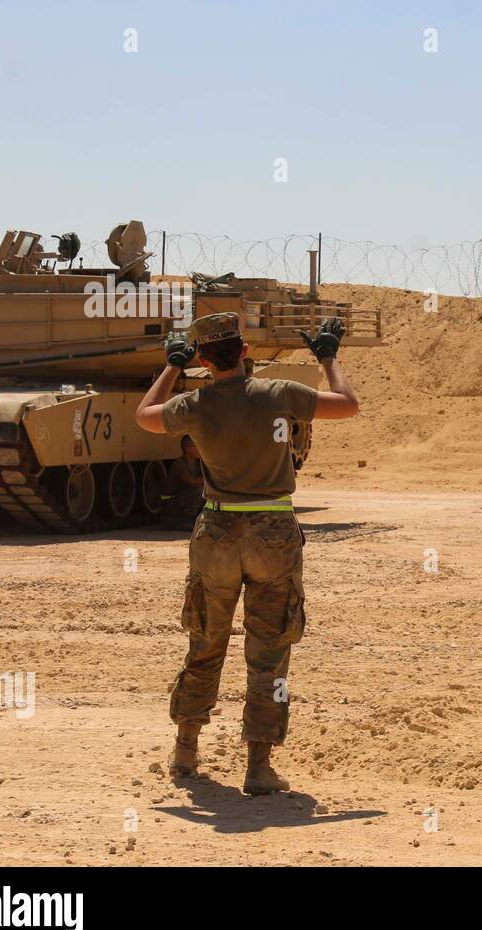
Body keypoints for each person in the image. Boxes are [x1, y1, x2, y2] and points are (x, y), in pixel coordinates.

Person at [134, 312, 360, 795]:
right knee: (269, 653)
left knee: (205, 641)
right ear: (243, 353)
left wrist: (172, 369)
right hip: (272, 529)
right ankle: (258, 766)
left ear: (203, 358)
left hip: (216, 529)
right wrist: (327, 357)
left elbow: (145, 417)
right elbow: (347, 405)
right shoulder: (278, 394)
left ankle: (185, 751)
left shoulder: (194, 404)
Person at [157, 436, 205, 531]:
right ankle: (183, 520)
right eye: (197, 446)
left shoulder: (196, 464)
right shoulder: (179, 464)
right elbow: (191, 480)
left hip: (181, 500)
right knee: (198, 490)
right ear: (188, 448)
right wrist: (209, 481)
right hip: (171, 503)